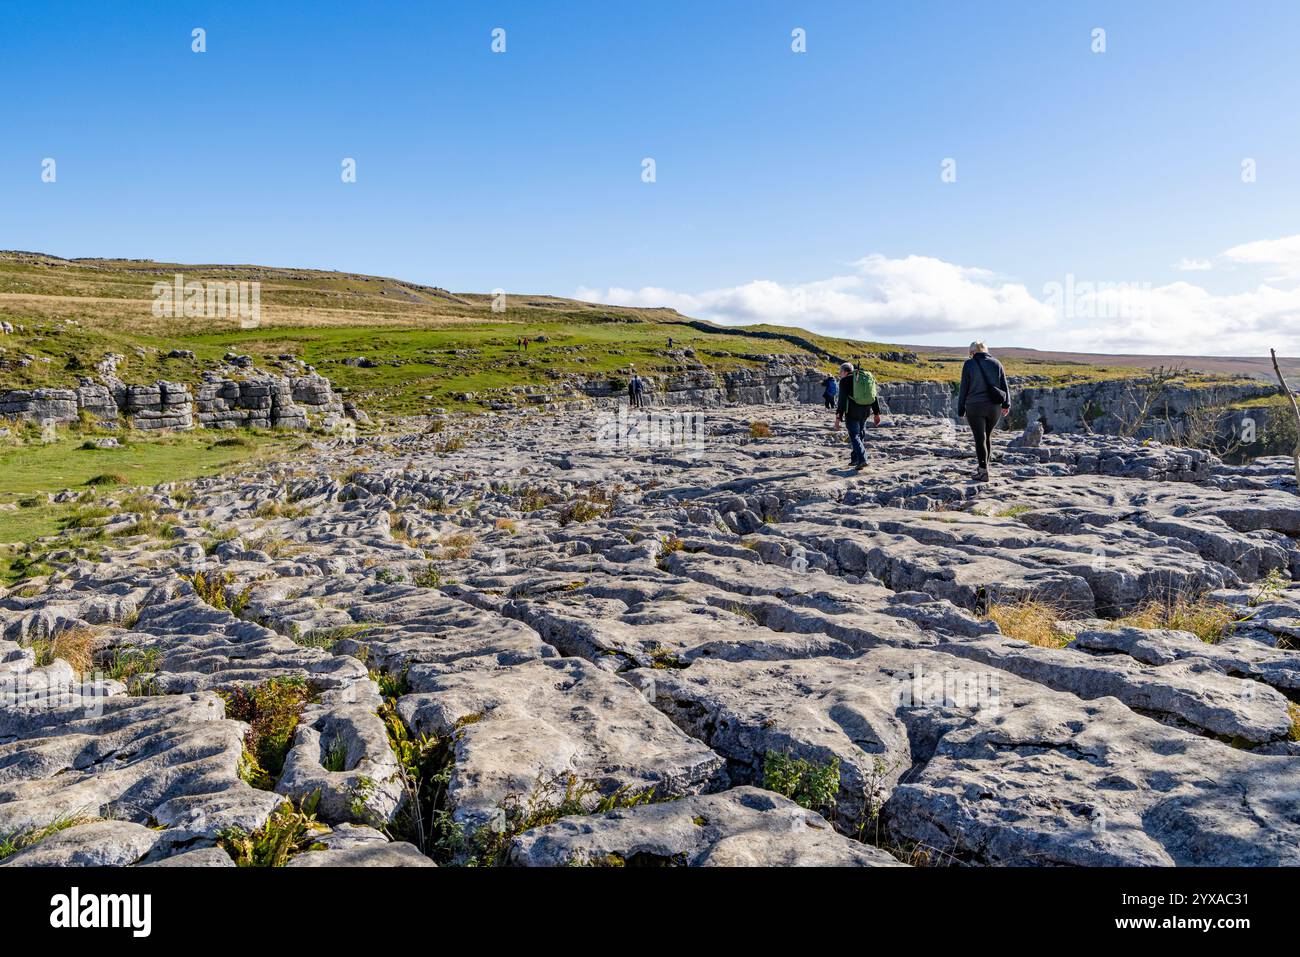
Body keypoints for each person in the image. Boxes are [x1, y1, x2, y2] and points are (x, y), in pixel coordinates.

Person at [956, 341, 1011, 481]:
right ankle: (985, 468)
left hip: (975, 406)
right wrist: (1006, 404)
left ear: (972, 352)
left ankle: (983, 471)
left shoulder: (969, 364)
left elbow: (964, 388)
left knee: (980, 438)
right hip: (994, 408)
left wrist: (961, 409)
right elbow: (1004, 385)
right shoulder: (997, 363)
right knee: (987, 437)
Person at [834, 362, 881, 470]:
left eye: (840, 372)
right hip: (865, 411)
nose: (839, 374)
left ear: (845, 372)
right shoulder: (864, 379)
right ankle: (855, 459)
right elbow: (874, 396)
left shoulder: (844, 381)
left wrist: (838, 419)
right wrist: (876, 413)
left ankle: (862, 459)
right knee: (860, 434)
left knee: (854, 435)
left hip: (852, 412)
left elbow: (841, 401)